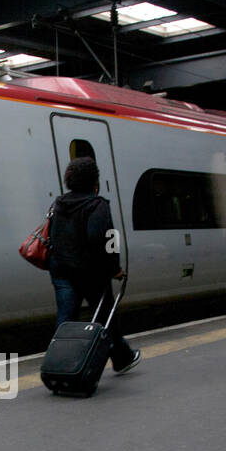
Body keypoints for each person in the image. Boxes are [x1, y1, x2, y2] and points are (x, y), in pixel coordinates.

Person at [47, 157, 141, 374]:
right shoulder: (98, 205)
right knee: (105, 317)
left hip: (61, 271)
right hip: (90, 273)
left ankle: (58, 365)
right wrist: (114, 269)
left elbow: (53, 237)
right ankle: (122, 357)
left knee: (65, 321)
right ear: (94, 181)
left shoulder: (59, 204)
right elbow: (105, 240)